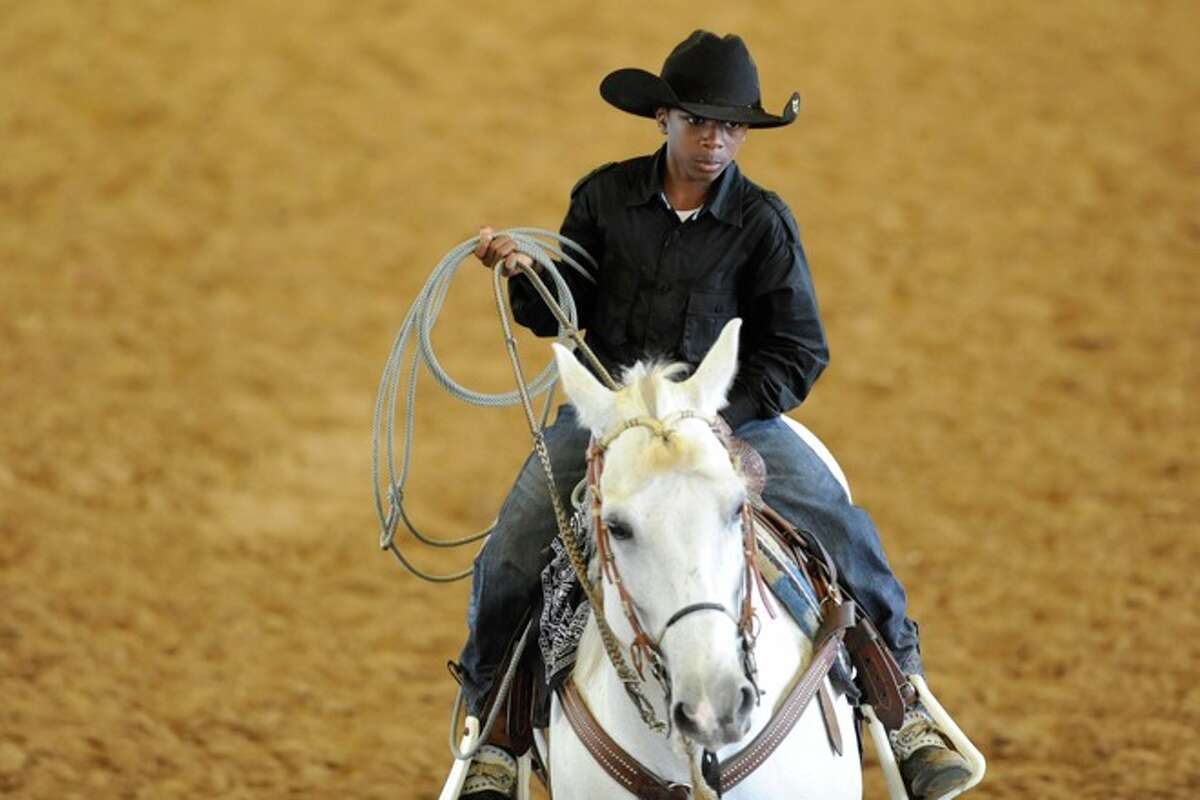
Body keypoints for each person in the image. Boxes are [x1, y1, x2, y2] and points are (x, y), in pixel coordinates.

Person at [455, 30, 971, 800]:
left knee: (841, 528)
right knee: (513, 547)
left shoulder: (763, 223)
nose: (716, 140)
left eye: (732, 127)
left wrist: (715, 416)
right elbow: (559, 311)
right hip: (616, 423)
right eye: (699, 122)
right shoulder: (602, 199)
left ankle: (904, 706)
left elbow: (798, 349)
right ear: (663, 118)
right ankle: (494, 732)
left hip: (732, 421)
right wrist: (525, 276)